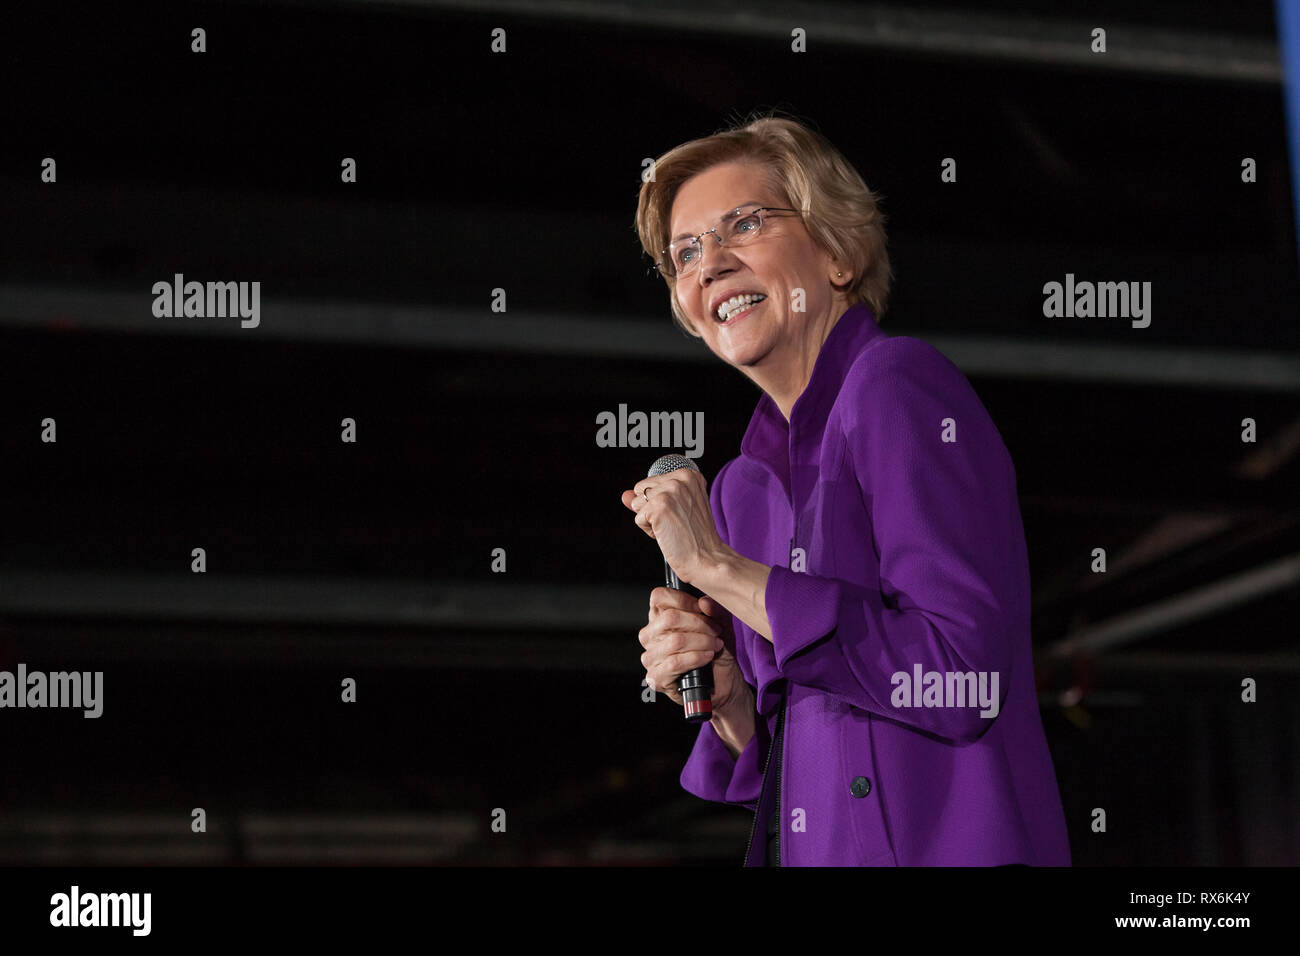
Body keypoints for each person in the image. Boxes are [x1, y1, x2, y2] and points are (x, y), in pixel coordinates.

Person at [620, 113, 1071, 866]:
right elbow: (810, 754)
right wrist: (732, 704)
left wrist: (720, 571)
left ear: (835, 251)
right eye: (685, 253)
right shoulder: (742, 491)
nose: (710, 264)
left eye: (744, 225)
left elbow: (960, 680)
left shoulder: (898, 388)